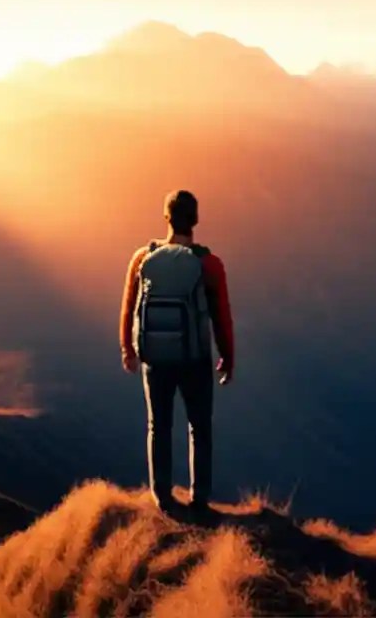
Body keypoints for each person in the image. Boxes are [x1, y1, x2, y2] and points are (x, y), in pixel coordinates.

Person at [119, 189, 235, 517]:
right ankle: (199, 499)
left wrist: (127, 349)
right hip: (195, 360)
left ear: (166, 217)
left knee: (159, 426)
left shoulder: (143, 258)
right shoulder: (208, 264)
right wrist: (227, 358)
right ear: (195, 220)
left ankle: (163, 498)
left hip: (155, 360)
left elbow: (129, 309)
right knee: (199, 427)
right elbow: (221, 317)